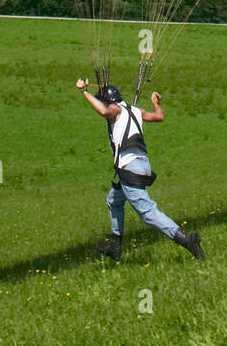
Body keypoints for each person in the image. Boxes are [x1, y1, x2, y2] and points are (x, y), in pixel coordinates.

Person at [76, 72, 205, 261]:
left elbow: (104, 111)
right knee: (114, 200)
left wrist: (84, 92)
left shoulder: (115, 111)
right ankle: (115, 245)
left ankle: (187, 240)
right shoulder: (136, 110)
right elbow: (159, 117)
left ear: (109, 102)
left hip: (129, 168)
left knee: (147, 212)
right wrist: (156, 102)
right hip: (141, 165)